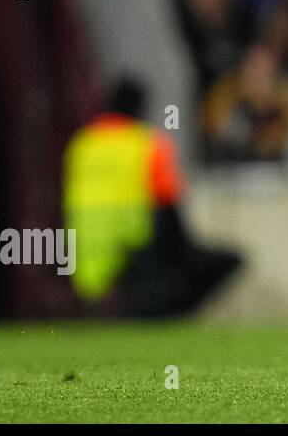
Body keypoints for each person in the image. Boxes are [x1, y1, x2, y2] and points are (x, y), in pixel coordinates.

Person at [63, 77, 242, 317]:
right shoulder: (147, 144)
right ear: (140, 109)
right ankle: (166, 315)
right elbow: (170, 212)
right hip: (130, 256)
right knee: (221, 261)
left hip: (82, 262)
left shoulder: (82, 144)